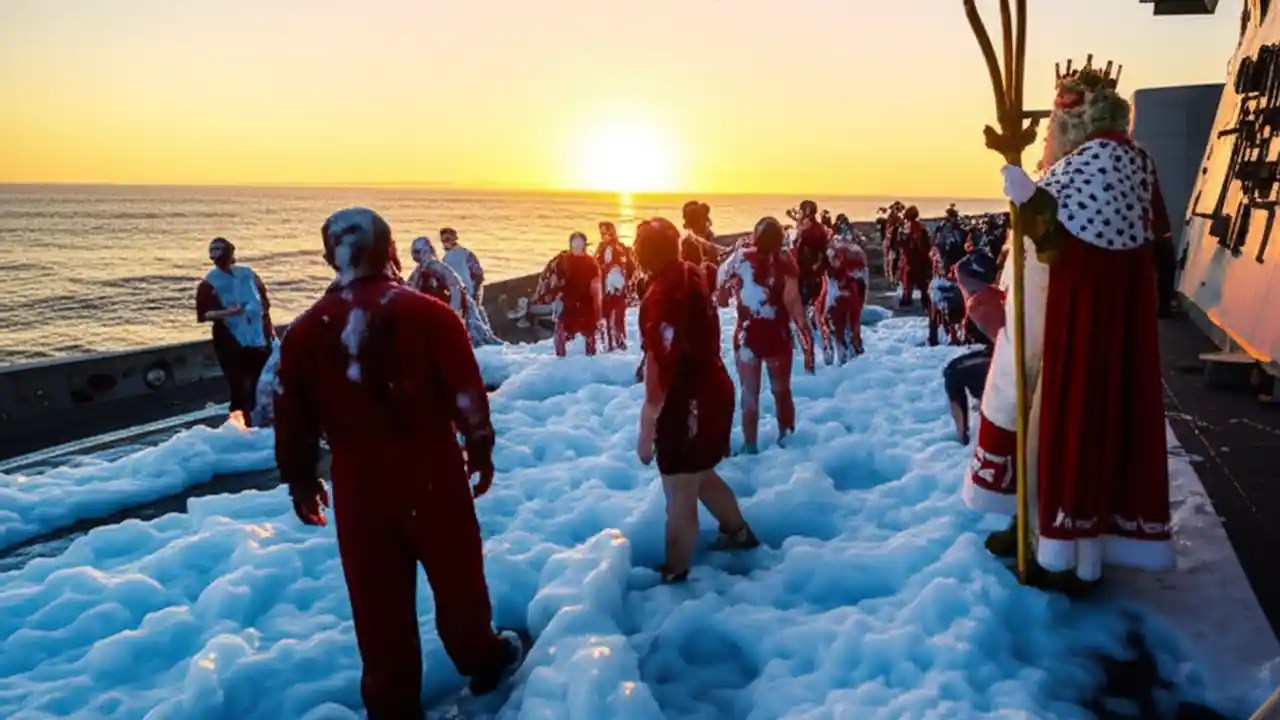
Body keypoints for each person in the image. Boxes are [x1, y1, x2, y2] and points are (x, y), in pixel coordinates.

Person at [274, 208, 528, 717]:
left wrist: (301, 481)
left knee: (378, 603)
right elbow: (467, 397)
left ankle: (391, 704)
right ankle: (480, 657)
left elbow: (291, 418)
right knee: (457, 577)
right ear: (390, 251)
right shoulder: (430, 316)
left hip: (358, 484)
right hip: (431, 470)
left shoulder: (303, 334)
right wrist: (479, 449)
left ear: (329, 257)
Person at [962, 62, 1174, 593]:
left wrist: (1029, 198)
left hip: (1067, 330)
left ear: (1069, 124)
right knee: (1063, 432)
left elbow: (1058, 244)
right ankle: (1045, 539)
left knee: (1058, 434)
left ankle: (1052, 551)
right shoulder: (1132, 161)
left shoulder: (1095, 163)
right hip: (1088, 325)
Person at [634, 217, 758, 584]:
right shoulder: (691, 271)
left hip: (689, 400)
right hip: (714, 387)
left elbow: (660, 367)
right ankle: (739, 534)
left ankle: (675, 573)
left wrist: (647, 425)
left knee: (680, 488)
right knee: (700, 474)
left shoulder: (661, 297)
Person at [718, 217, 815, 454]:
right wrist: (807, 343)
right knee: (782, 391)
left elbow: (719, 290)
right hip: (777, 336)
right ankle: (787, 439)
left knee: (749, 395)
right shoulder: (785, 262)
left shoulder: (740, 258)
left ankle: (750, 446)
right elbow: (793, 303)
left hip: (747, 336)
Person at [196, 237, 275, 425]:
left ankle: (259, 418)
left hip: (256, 335)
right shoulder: (209, 282)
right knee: (239, 382)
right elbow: (203, 314)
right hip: (229, 337)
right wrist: (229, 312)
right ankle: (246, 422)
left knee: (260, 379)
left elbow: (264, 302)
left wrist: (267, 328)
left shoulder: (247, 273)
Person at [943, 251, 1001, 444]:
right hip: (1004, 351)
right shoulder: (990, 294)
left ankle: (962, 436)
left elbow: (1005, 343)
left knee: (953, 372)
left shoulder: (980, 304)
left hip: (1011, 361)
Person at [407, 236, 501, 346]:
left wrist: (455, 309)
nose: (414, 256)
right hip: (450, 306)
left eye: (417, 252)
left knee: (476, 335)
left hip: (460, 304)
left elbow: (455, 285)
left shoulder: (435, 267)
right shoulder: (421, 270)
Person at [794, 200, 834, 365]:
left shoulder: (807, 232)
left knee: (802, 318)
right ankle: (826, 350)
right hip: (819, 279)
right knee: (817, 317)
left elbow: (799, 254)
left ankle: (809, 356)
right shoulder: (820, 230)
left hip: (806, 279)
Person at [553, 232, 603, 357]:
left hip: (586, 301)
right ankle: (560, 359)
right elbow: (556, 281)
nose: (576, 246)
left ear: (584, 245)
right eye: (574, 243)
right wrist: (556, 296)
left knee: (590, 331)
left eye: (579, 244)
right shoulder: (563, 260)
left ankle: (591, 358)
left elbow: (596, 288)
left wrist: (598, 311)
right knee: (561, 329)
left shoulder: (591, 263)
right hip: (568, 300)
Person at [826, 229, 869, 363]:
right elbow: (865, 282)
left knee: (839, 329)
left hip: (839, 296)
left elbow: (829, 274)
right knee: (854, 327)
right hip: (854, 296)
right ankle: (856, 354)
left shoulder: (834, 251)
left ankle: (843, 359)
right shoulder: (858, 254)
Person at [595, 221, 636, 352]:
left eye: (604, 233)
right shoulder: (602, 248)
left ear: (611, 233)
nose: (602, 236)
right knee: (607, 319)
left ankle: (618, 348)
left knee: (616, 320)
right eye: (601, 233)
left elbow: (629, 268)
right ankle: (611, 347)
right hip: (606, 289)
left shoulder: (619, 249)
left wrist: (624, 286)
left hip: (615, 290)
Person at [898, 205, 932, 308]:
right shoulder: (919, 228)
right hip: (917, 259)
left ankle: (908, 299)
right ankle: (921, 300)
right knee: (920, 282)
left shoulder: (909, 229)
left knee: (909, 281)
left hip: (912, 259)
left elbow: (904, 244)